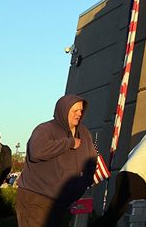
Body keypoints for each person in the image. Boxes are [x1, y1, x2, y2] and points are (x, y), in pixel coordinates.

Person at [15, 95, 98, 227]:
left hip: (64, 201)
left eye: (81, 110)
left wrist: (86, 181)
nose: (79, 114)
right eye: (75, 110)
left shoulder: (84, 133)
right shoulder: (45, 129)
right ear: (64, 110)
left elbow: (92, 159)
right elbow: (37, 152)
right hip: (37, 197)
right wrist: (68, 143)